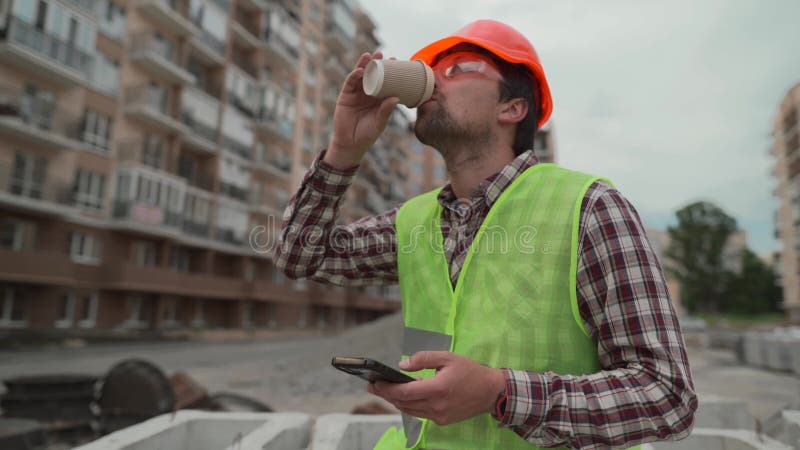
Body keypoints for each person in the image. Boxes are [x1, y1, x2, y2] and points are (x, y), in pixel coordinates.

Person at [275, 19, 696, 450]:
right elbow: (298, 255)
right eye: (431, 69)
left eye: (459, 68)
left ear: (512, 108)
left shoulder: (591, 208)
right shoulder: (414, 222)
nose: (434, 78)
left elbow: (667, 395)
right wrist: (344, 151)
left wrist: (501, 393)